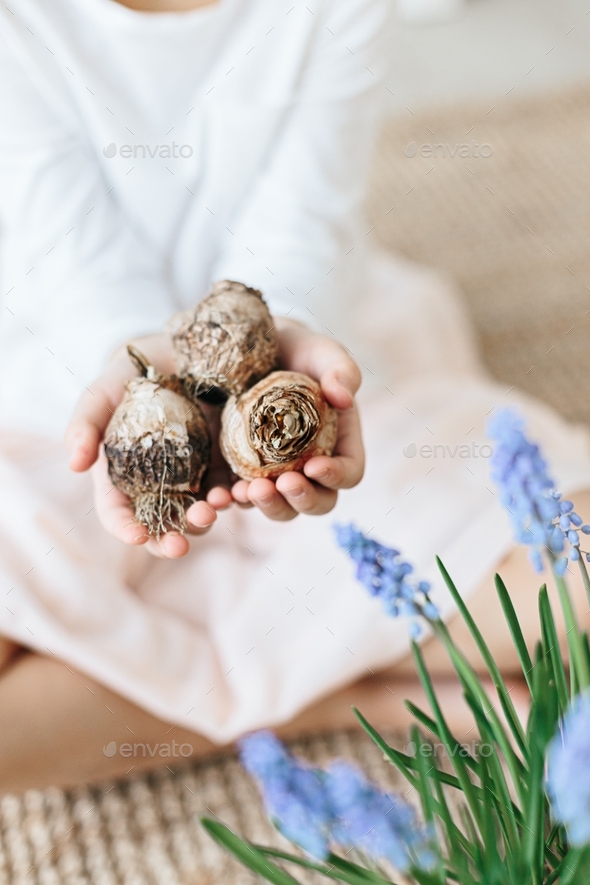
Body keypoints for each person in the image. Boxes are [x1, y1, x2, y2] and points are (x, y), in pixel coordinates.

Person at [1, 0, 590, 794]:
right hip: (53, 393)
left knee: (576, 574)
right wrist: (143, 370)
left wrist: (286, 336)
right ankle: (347, 698)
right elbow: (71, 261)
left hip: (309, 351)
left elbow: (299, 228)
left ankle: (247, 666)